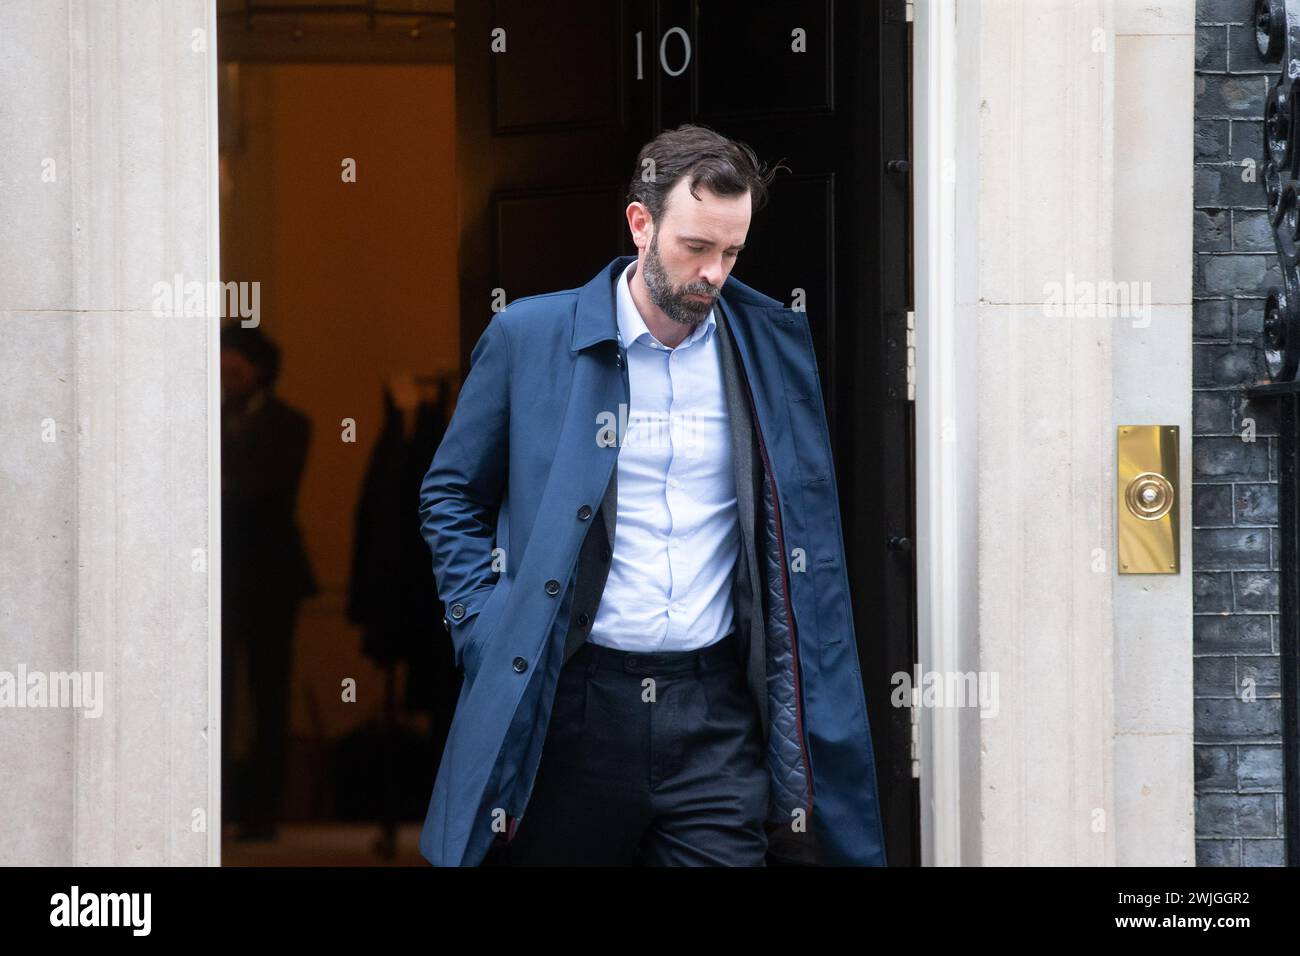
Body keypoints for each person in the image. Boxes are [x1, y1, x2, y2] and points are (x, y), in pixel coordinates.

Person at [418, 124, 887, 866]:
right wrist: (483, 624)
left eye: (731, 252)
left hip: (715, 714)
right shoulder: (530, 335)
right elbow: (451, 492)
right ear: (641, 223)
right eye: (695, 247)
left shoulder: (766, 346)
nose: (714, 273)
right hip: (574, 707)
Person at [219, 321, 318, 841]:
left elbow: (266, 490)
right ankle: (215, 803)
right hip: (219, 577)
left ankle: (261, 811)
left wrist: (221, 485)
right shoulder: (206, 420)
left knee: (268, 695)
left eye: (233, 367)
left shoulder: (289, 423)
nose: (223, 376)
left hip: (271, 578)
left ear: (257, 371)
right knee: (214, 694)